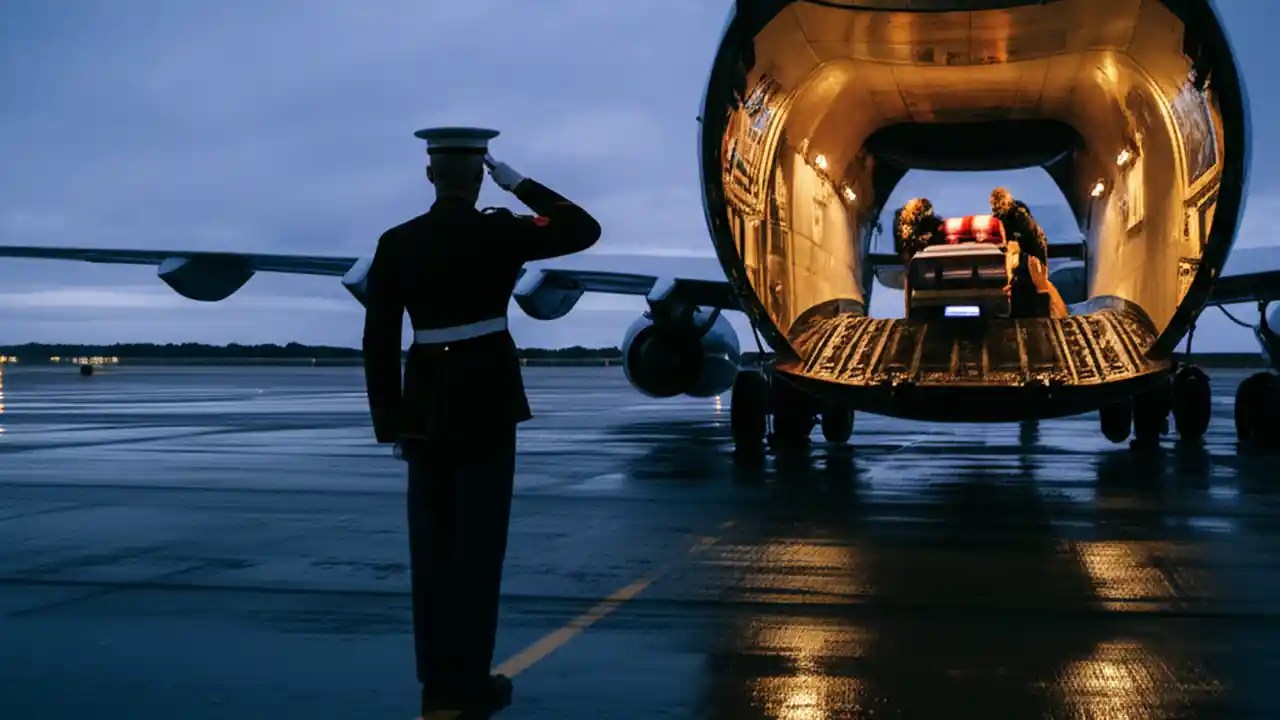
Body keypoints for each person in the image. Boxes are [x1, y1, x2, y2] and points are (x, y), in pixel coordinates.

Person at [361, 126, 601, 717]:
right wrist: (516, 181)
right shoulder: (498, 231)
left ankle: (436, 678)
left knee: (432, 547)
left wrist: (391, 422)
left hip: (425, 408)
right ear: (476, 176)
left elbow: (379, 338)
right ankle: (471, 677)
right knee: (478, 547)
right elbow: (582, 228)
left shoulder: (397, 242)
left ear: (429, 174)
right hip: (487, 402)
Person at [989, 187, 1067, 318]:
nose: (998, 207)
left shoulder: (1020, 216)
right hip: (1019, 250)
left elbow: (1028, 239)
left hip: (1032, 250)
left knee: (1035, 280)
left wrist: (1019, 254)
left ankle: (1046, 310)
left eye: (1000, 204)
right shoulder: (1000, 217)